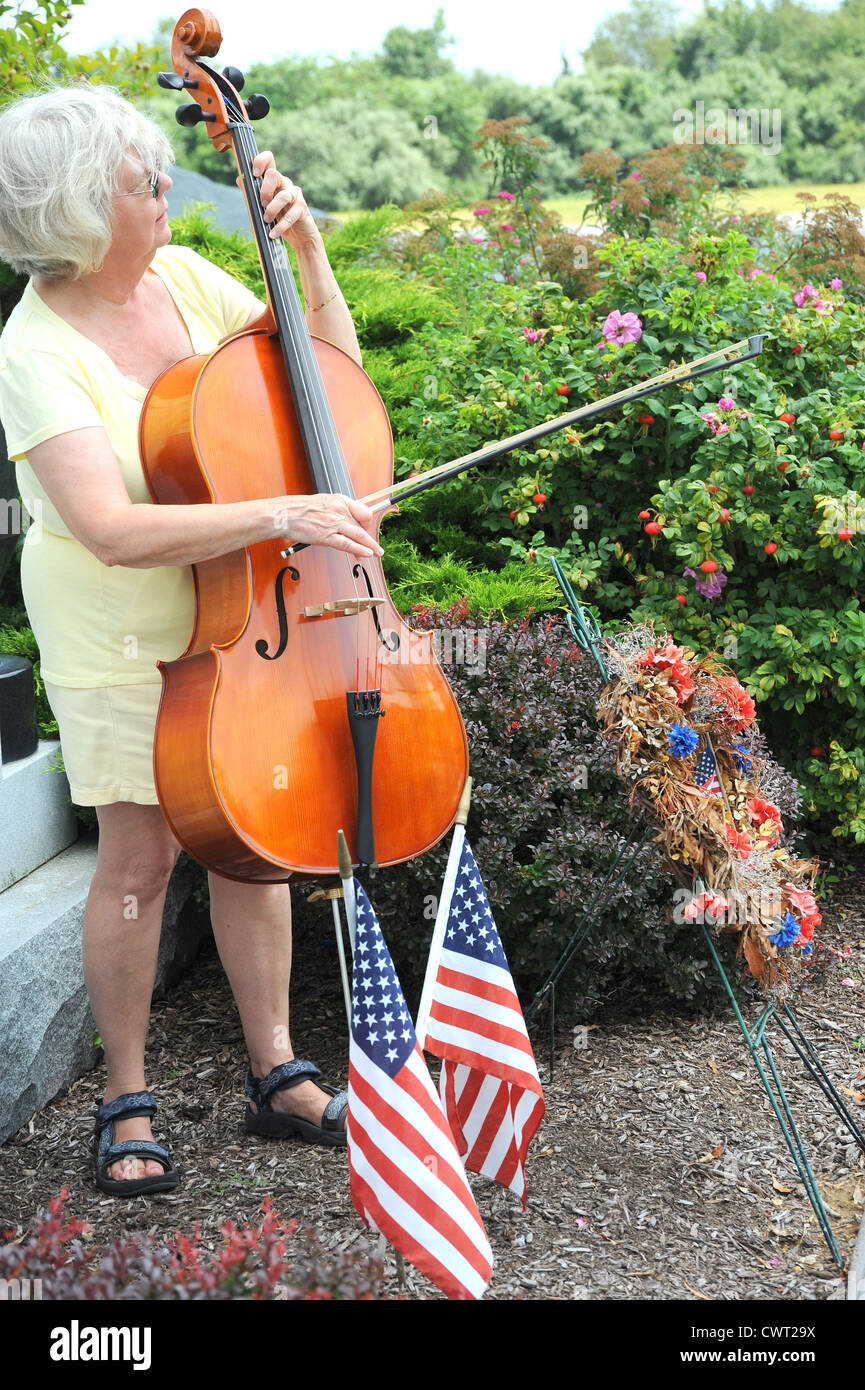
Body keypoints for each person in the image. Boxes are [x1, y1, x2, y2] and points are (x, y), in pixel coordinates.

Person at [0, 83, 382, 1196]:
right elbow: (111, 529)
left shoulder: (179, 278)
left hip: (240, 605)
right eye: (145, 181)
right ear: (79, 209)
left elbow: (328, 380)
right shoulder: (33, 351)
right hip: (121, 631)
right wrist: (284, 515)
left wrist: (308, 253)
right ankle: (126, 1094)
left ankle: (278, 1073)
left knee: (251, 834)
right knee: (140, 858)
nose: (169, 192)